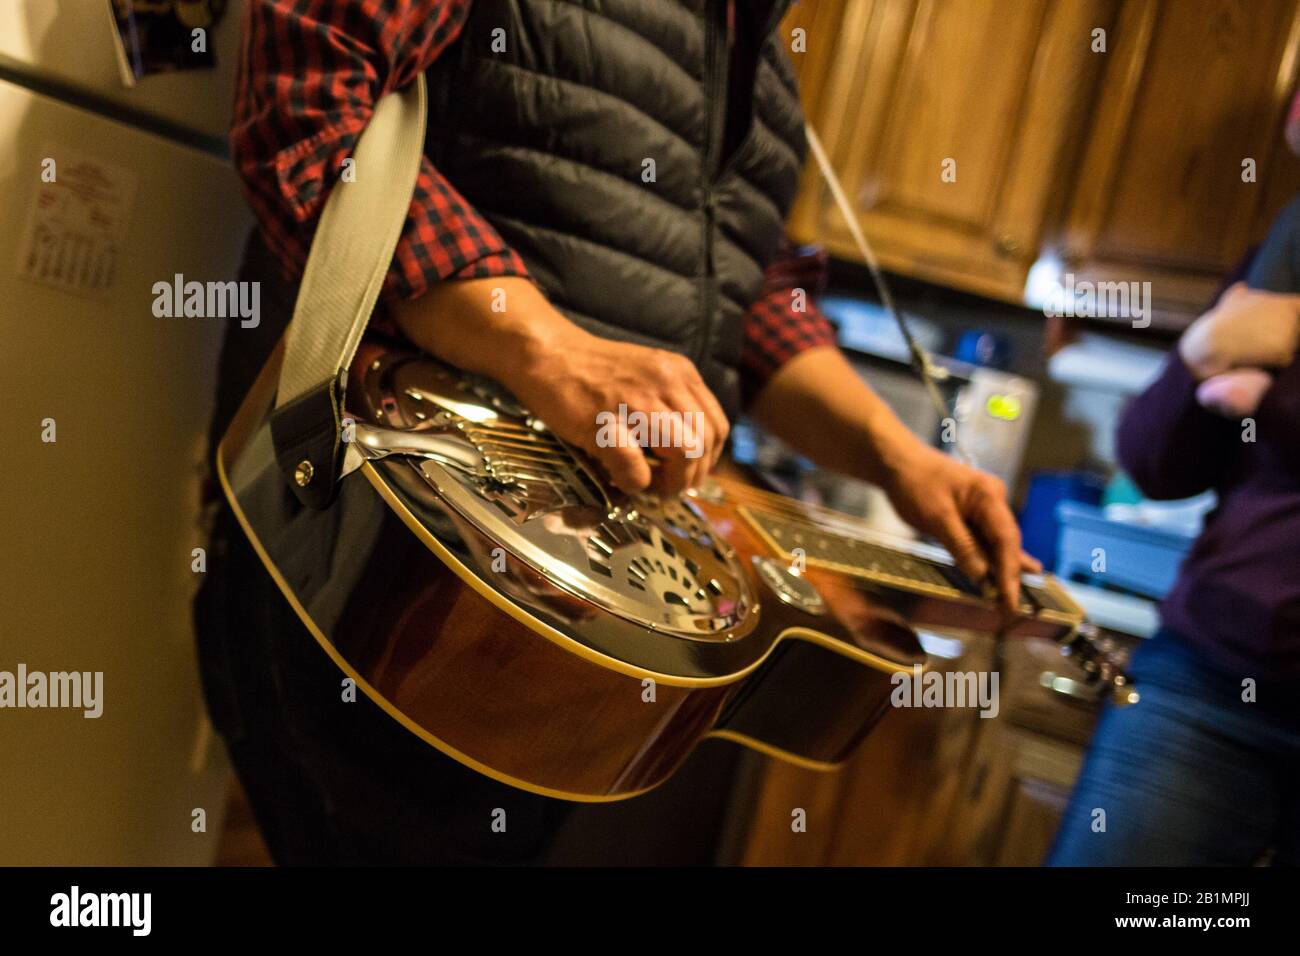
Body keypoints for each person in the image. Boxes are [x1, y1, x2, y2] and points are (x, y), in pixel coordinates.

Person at [196, 0, 1035, 865]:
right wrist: (547, 348)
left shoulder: (760, 60)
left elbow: (754, 306)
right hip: (402, 565)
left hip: (572, 648)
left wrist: (900, 462)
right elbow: (307, 101)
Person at [1049, 199, 1300, 866]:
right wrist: (1201, 352)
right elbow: (1157, 464)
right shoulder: (1285, 249)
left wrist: (1271, 381)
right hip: (1210, 673)